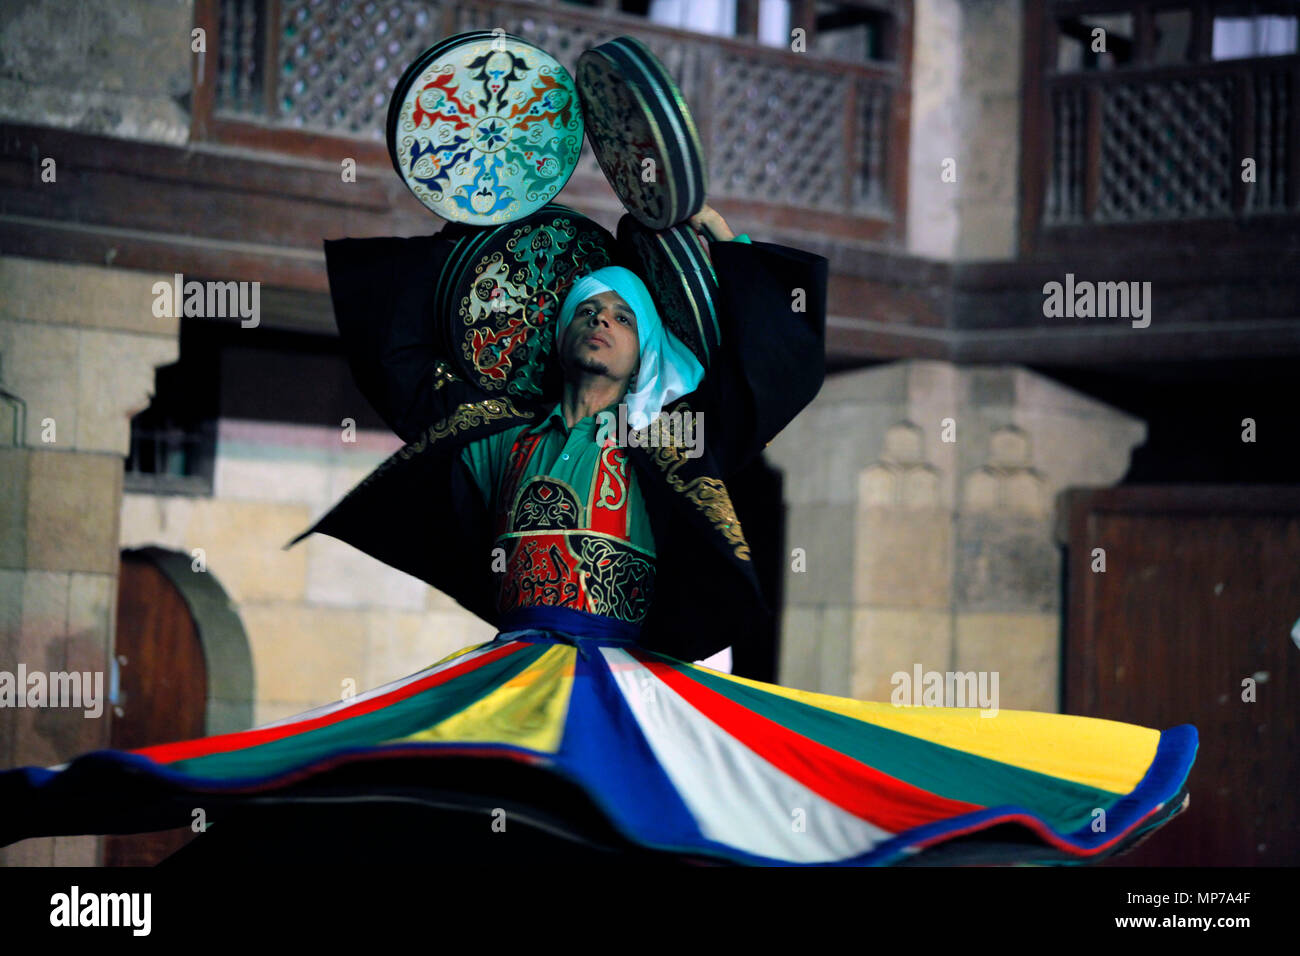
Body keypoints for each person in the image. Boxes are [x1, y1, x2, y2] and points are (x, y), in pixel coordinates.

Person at [0, 205, 1197, 867]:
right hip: (506, 671)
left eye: (627, 311)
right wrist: (470, 234)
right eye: (590, 308)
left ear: (649, 351)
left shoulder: (673, 439)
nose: (606, 319)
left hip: (633, 681)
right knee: (320, 768)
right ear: (563, 336)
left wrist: (709, 251)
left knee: (785, 803)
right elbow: (397, 354)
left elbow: (772, 366)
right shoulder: (497, 438)